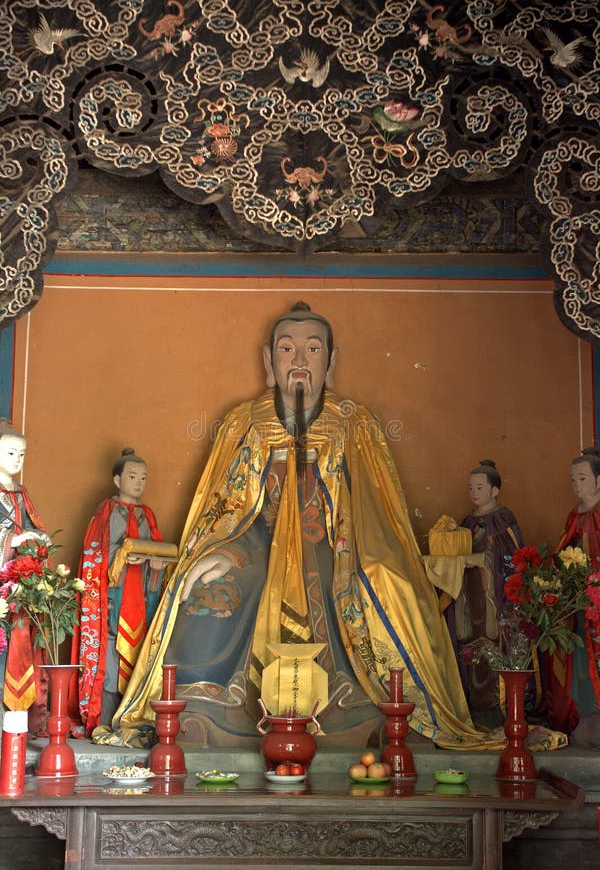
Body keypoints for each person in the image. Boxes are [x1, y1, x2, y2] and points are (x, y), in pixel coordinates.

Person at [108, 304, 509, 750]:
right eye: (287, 349)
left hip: (340, 548)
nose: (299, 360)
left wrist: (359, 552)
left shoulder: (355, 424)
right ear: (268, 361)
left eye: (313, 349)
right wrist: (224, 549)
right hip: (255, 549)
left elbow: (379, 513)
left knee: (391, 586)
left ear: (331, 363)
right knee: (203, 590)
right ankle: (203, 709)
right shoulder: (245, 423)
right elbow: (225, 508)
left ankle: (384, 710)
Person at [74, 447, 170, 736]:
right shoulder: (106, 511)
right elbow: (95, 551)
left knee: (140, 651)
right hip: (114, 597)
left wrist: (156, 564)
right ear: (117, 480)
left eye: (143, 477)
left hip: (141, 597)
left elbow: (157, 549)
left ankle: (133, 718)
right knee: (111, 653)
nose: (138, 483)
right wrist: (122, 556)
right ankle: (104, 718)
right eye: (132, 476)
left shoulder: (147, 514)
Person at [455, 460, 524, 722]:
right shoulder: (467, 521)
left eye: (480, 487)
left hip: (495, 592)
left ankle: (499, 704)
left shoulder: (503, 519)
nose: (474, 492)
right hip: (471, 593)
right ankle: (474, 702)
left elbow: (512, 557)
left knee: (495, 639)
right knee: (472, 641)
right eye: (470, 488)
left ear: (495, 490)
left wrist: (485, 561)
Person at [546, 447, 600, 745]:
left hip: (596, 599)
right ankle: (582, 714)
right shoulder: (574, 515)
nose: (576, 485)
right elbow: (563, 550)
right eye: (572, 479)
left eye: (582, 478)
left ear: (598, 481)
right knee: (577, 658)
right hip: (576, 600)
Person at [0, 425, 50, 728]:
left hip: (20, 584)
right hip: (2, 580)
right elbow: (13, 534)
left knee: (19, 647)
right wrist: (12, 540)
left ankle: (15, 721)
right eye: (10, 453)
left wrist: (38, 538)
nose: (17, 459)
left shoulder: (22, 493)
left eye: (21, 454)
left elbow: (32, 526)